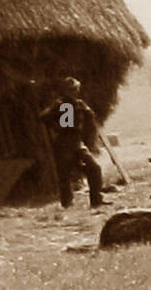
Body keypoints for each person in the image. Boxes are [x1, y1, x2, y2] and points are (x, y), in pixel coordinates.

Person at [39, 77, 107, 209]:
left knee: (94, 168)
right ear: (66, 91)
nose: (75, 92)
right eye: (72, 90)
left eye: (76, 89)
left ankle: (96, 199)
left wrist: (87, 121)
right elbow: (44, 117)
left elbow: (90, 116)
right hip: (64, 142)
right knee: (65, 173)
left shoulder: (78, 104)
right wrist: (57, 126)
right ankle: (67, 203)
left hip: (77, 141)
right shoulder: (61, 104)